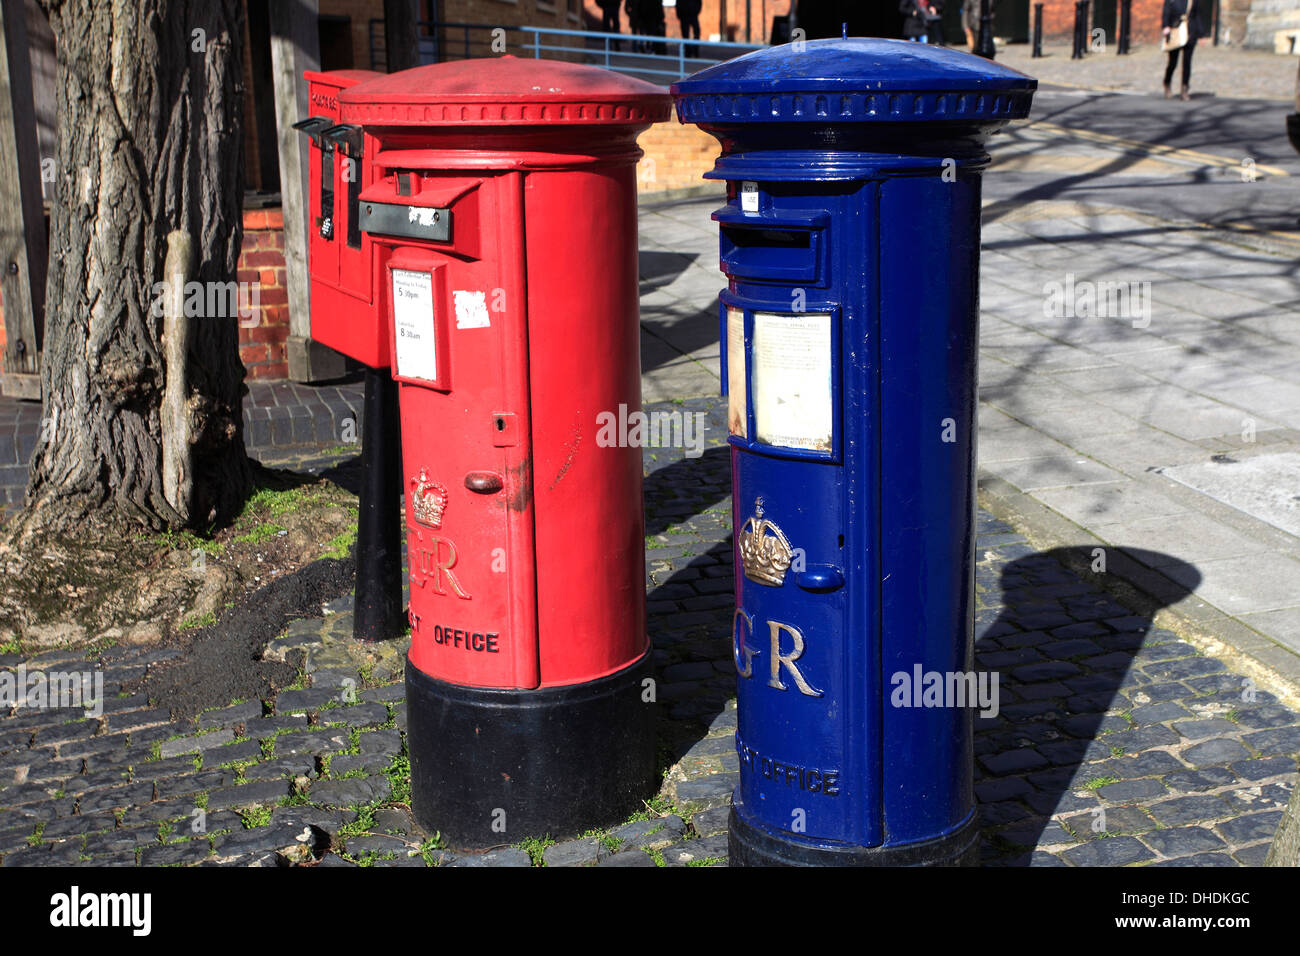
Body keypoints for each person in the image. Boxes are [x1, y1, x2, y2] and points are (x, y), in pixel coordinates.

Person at [1162, 0, 1203, 101]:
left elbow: (1197, 15)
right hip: (1175, 31)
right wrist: (1165, 26)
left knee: (1187, 63)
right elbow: (1166, 11)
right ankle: (1167, 82)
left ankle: (1184, 89)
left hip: (1190, 32)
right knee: (1173, 62)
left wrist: (1201, 34)